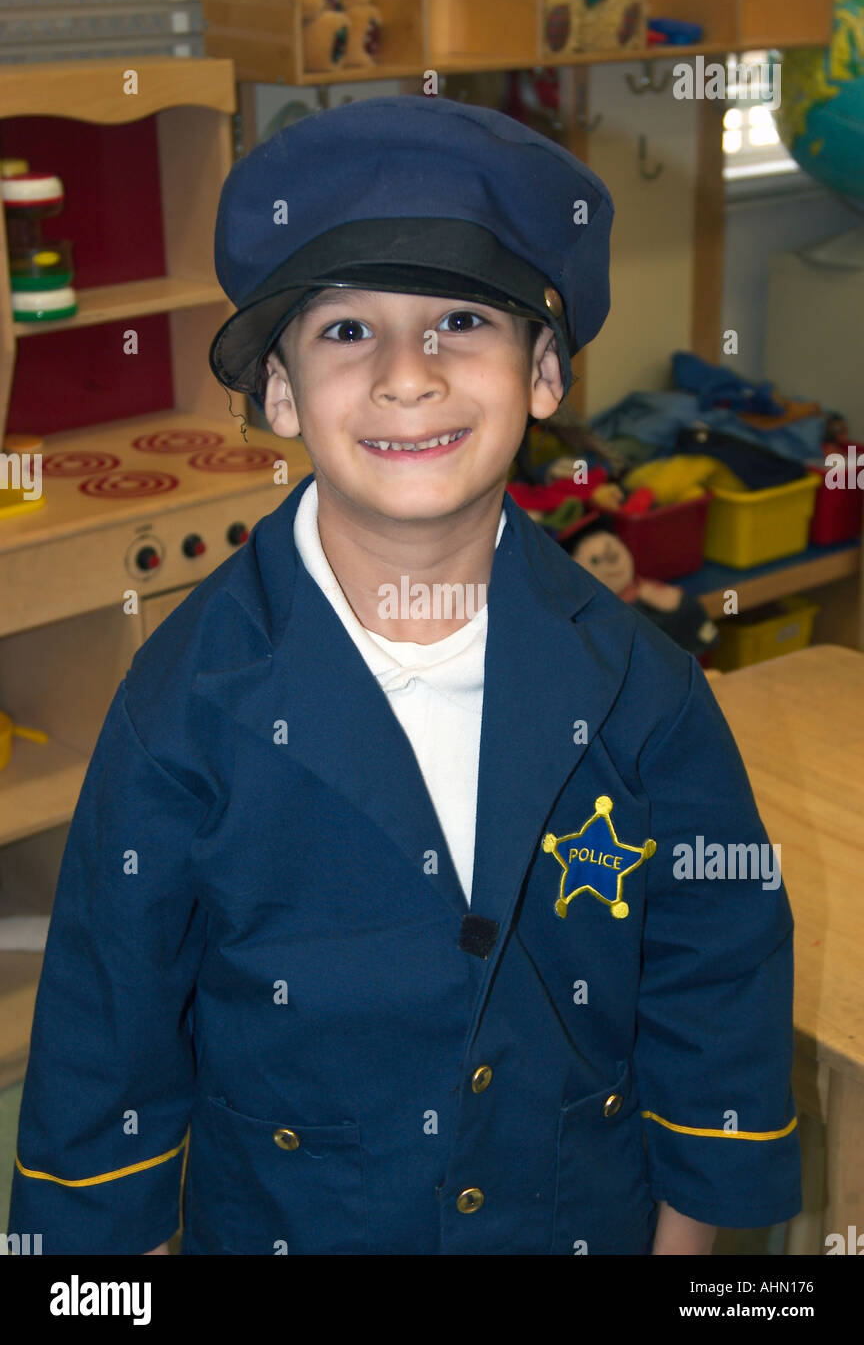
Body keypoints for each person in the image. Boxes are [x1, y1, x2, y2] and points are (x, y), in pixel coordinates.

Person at [8, 95, 801, 1255]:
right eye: (345, 331)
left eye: (461, 321)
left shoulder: (646, 689)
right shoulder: (181, 708)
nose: (406, 374)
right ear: (280, 394)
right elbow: (104, 1045)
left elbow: (716, 979)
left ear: (543, 372)